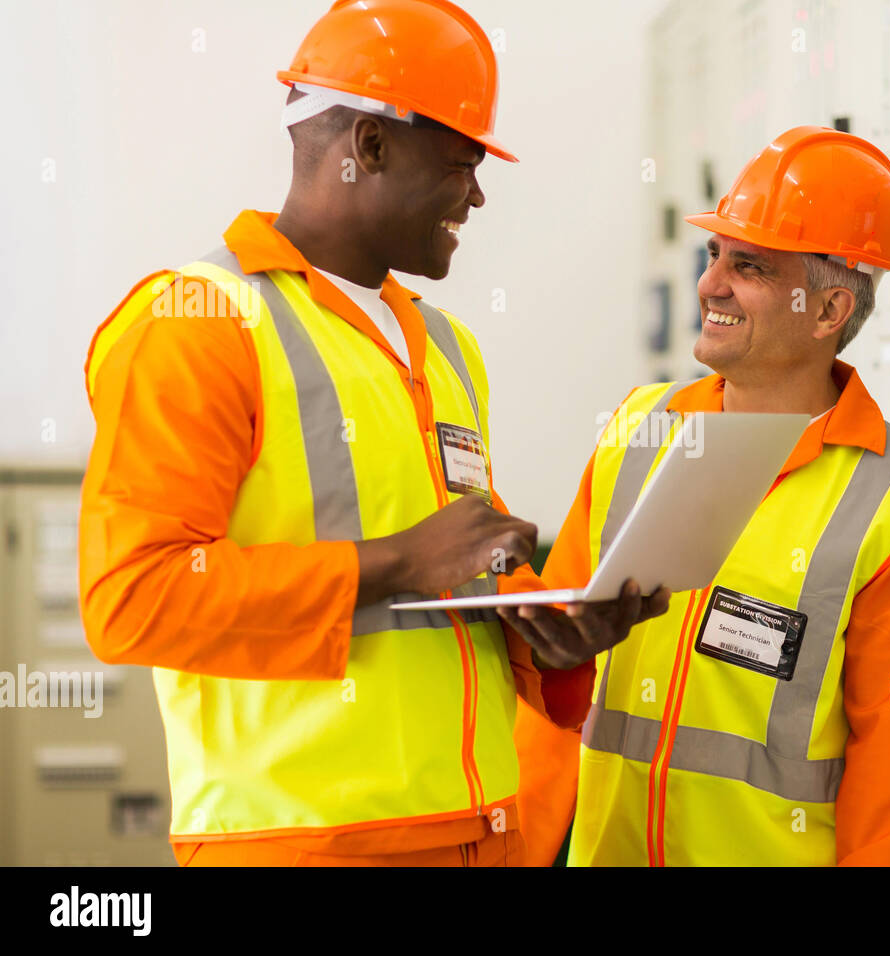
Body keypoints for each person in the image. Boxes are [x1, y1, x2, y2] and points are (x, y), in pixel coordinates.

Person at [78, 0, 666, 868]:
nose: (477, 193)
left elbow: (461, 575)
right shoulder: (197, 322)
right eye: (463, 162)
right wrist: (393, 561)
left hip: (479, 830)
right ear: (371, 146)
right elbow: (129, 599)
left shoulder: (444, 344)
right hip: (305, 843)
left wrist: (553, 638)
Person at [511, 126, 890, 866]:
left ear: (828, 313)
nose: (710, 285)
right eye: (713, 254)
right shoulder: (638, 428)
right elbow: (544, 681)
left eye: (749, 266)